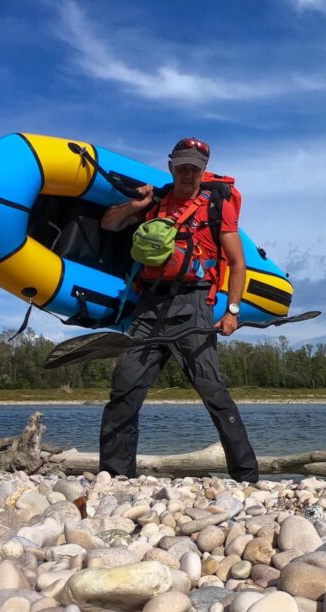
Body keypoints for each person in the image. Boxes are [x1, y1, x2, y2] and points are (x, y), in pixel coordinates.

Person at [97, 137, 260, 482]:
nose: (188, 173)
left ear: (202, 171)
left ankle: (246, 476)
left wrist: (231, 311)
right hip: (149, 307)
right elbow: (109, 224)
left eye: (194, 168)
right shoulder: (154, 201)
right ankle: (114, 477)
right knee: (124, 389)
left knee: (212, 391)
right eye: (182, 166)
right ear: (171, 165)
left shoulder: (217, 207)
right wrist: (133, 205)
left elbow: (237, 262)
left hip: (195, 305)